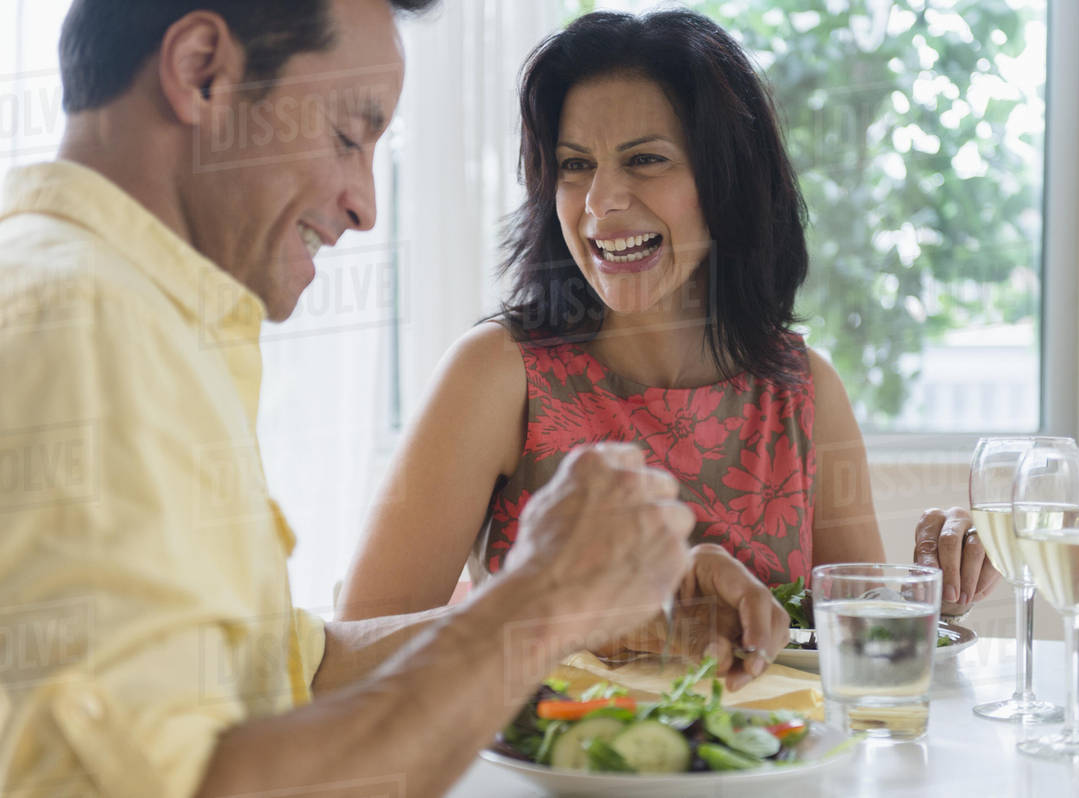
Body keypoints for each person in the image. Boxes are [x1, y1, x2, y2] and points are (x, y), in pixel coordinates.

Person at [0, 2, 791, 797]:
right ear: (202, 70)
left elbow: (294, 670)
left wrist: (587, 610)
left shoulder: (129, 316)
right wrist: (540, 598)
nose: (365, 206)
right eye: (348, 136)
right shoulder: (87, 330)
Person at [339, 9, 1000, 642]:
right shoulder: (497, 374)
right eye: (575, 166)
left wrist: (934, 585)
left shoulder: (803, 390)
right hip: (547, 760)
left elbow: (855, 643)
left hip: (770, 758)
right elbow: (356, 645)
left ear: (728, 181)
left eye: (645, 160)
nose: (601, 201)